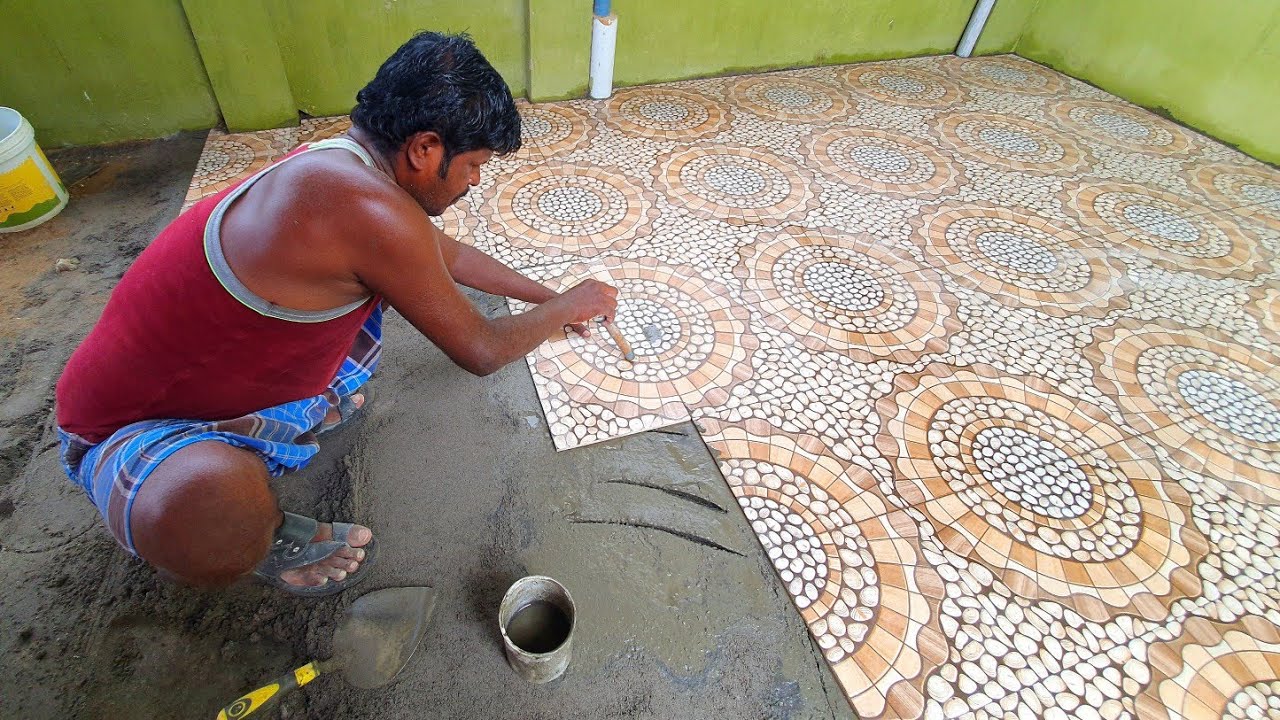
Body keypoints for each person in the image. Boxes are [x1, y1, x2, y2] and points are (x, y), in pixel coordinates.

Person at [54, 32, 617, 596]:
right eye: (472, 166)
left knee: (378, 297)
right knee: (211, 507)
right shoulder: (368, 210)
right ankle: (267, 537)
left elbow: (454, 257)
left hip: (204, 376)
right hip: (118, 431)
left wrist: (550, 298)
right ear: (424, 149)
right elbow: (482, 350)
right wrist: (572, 304)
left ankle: (283, 421)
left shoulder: (341, 162)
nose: (473, 183)